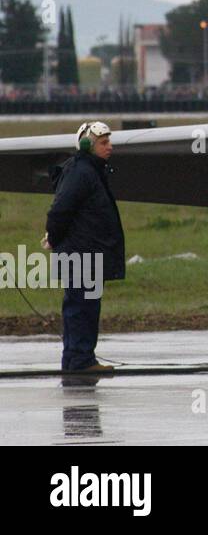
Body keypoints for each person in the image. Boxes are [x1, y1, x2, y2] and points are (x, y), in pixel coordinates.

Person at [44, 121, 125, 373]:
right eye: (104, 143)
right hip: (82, 256)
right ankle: (80, 361)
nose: (109, 147)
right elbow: (59, 211)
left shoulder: (88, 170)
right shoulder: (82, 172)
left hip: (85, 254)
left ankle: (75, 359)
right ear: (88, 145)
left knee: (81, 307)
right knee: (82, 308)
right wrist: (54, 238)